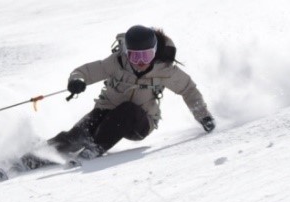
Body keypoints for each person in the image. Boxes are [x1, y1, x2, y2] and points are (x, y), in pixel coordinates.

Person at [41, 24, 215, 164]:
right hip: (107, 112)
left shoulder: (165, 70)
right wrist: (77, 80)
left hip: (140, 122)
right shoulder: (116, 62)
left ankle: (94, 149)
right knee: (77, 135)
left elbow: (189, 90)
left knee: (127, 110)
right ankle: (35, 156)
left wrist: (203, 116)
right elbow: (86, 71)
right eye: (135, 56)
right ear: (126, 53)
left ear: (154, 52)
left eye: (146, 56)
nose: (140, 62)